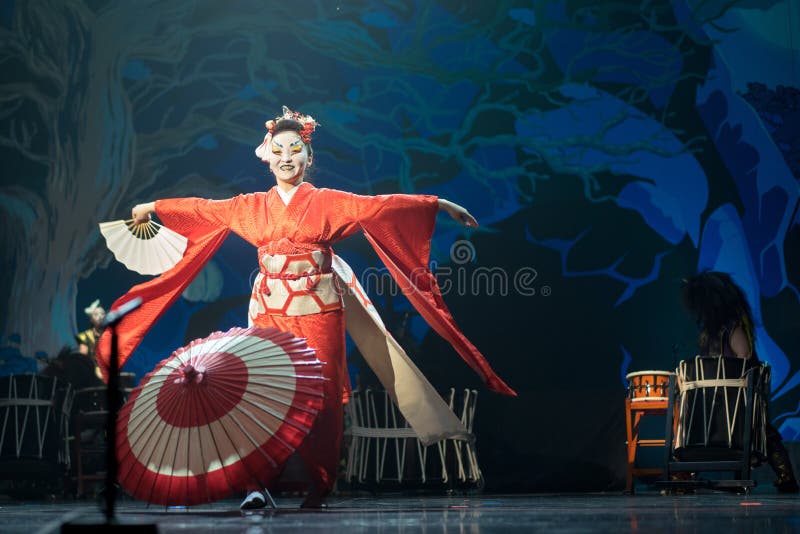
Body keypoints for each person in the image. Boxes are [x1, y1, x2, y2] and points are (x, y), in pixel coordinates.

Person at [100, 106, 515, 508]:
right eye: (278, 150)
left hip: (320, 312)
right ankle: (257, 485)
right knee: (262, 396)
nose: (286, 157)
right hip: (270, 314)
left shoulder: (329, 202)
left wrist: (435, 204)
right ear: (266, 158)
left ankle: (319, 481)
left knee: (323, 396)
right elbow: (202, 208)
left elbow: (379, 205)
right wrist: (155, 207)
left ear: (309, 157)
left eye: (295, 150)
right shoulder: (250, 206)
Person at [681, 271, 799, 493]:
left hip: (740, 393)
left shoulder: (732, 325)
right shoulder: (708, 331)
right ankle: (687, 473)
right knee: (704, 428)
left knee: (760, 428)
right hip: (717, 394)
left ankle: (787, 477)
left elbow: (744, 356)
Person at [76, 300, 105, 380]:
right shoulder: (85, 336)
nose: (100, 317)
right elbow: (82, 360)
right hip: (91, 376)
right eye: (96, 314)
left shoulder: (111, 335)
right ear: (91, 319)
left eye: (102, 314)